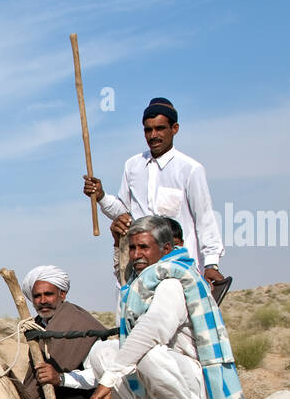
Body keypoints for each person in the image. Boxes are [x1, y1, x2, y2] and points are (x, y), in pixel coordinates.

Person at [86, 216, 259, 399]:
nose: (136, 254)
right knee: (101, 352)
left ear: (166, 249)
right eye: (133, 247)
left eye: (143, 247)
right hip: (163, 375)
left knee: (146, 354)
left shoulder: (172, 284)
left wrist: (109, 380)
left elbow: (153, 330)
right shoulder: (141, 283)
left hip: (189, 381)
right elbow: (122, 274)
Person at [82, 97, 226, 286]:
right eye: (148, 130)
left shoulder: (190, 169)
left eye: (160, 129)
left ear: (174, 129)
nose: (153, 135)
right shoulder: (133, 166)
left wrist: (211, 264)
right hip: (141, 270)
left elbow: (205, 219)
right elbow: (124, 213)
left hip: (179, 269)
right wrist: (100, 196)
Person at [15, 265, 108, 399]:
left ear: (62, 294)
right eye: (37, 296)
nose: (43, 301)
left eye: (48, 294)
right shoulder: (37, 326)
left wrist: (60, 378)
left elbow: (99, 375)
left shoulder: (81, 325)